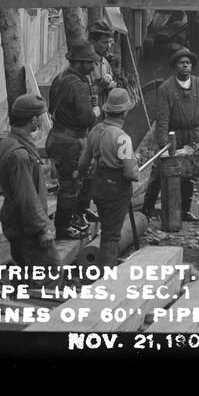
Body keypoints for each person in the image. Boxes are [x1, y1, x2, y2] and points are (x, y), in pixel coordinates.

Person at [141, 47, 199, 222]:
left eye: (188, 63)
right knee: (160, 172)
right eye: (182, 63)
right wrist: (163, 145)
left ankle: (185, 211)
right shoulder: (166, 88)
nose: (185, 66)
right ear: (175, 66)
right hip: (174, 135)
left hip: (193, 134)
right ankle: (146, 211)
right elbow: (162, 119)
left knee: (190, 173)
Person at [79, 87, 140, 267]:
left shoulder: (95, 130)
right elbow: (131, 172)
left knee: (106, 226)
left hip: (98, 184)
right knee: (112, 235)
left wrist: (79, 177)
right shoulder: (122, 138)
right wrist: (135, 168)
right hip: (116, 187)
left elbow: (83, 162)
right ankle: (109, 275)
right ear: (124, 113)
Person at [0, 94, 59, 267]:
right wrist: (43, 228)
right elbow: (27, 198)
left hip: (16, 224)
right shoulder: (20, 155)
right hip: (26, 229)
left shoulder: (9, 142)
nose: (41, 120)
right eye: (39, 117)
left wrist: (42, 170)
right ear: (33, 120)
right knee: (51, 273)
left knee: (26, 274)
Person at [47, 41, 99, 240]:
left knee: (70, 183)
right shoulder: (78, 85)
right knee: (70, 186)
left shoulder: (60, 78)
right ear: (79, 63)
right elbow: (85, 118)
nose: (94, 67)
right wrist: (95, 111)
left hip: (58, 136)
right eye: (90, 63)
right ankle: (63, 227)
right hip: (71, 143)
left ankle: (73, 218)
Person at [88, 19, 118, 107]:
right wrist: (101, 86)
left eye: (110, 42)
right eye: (105, 42)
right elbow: (80, 94)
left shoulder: (105, 63)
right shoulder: (85, 65)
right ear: (93, 42)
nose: (109, 46)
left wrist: (112, 84)